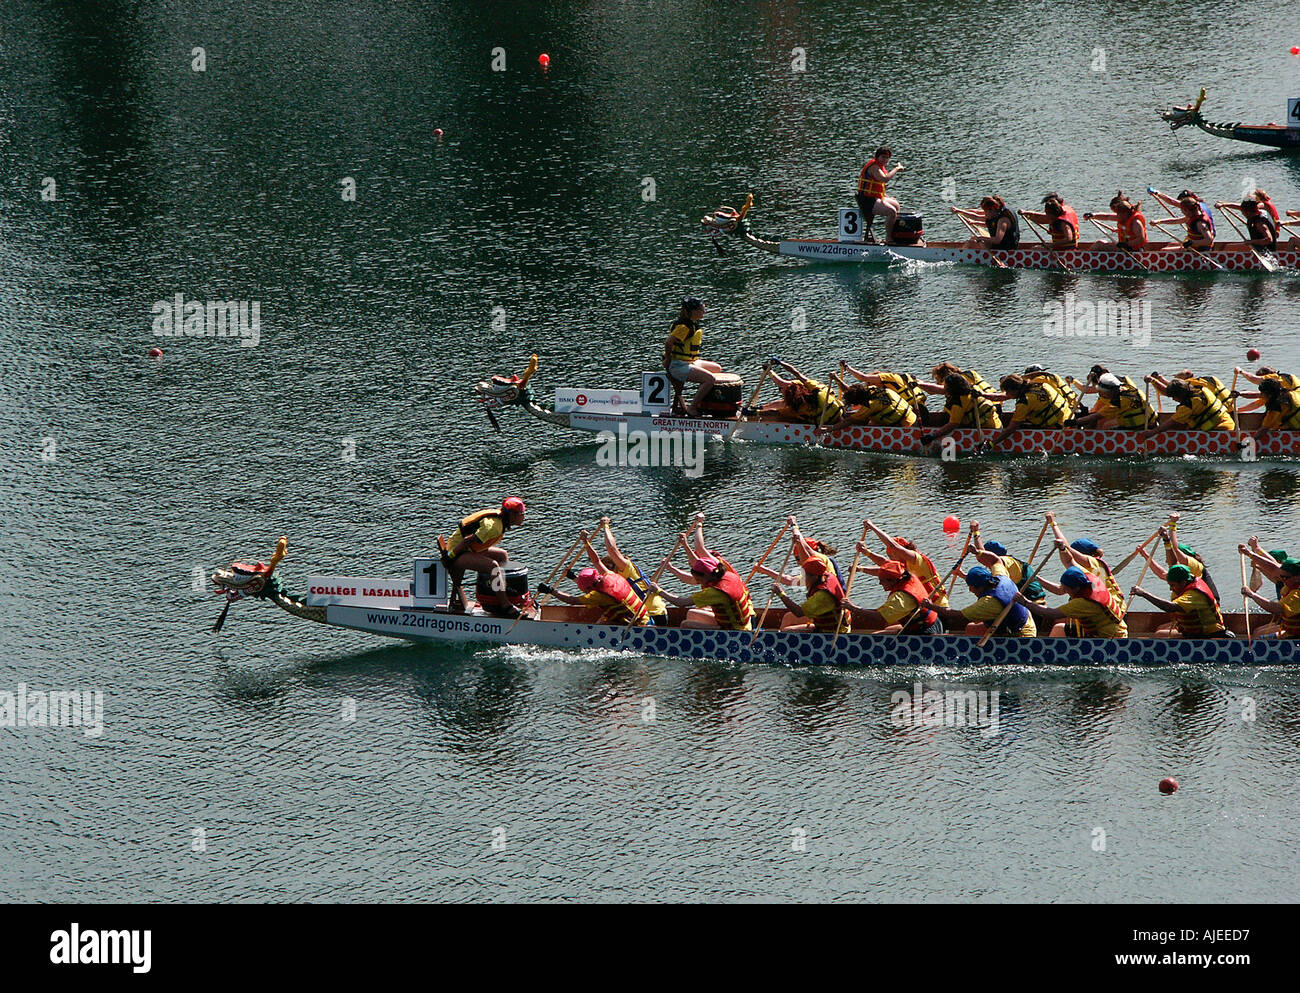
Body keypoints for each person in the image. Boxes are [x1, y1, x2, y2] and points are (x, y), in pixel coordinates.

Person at [442, 498, 527, 616]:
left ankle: (496, 596)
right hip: (458, 552)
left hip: (468, 549)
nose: (524, 517)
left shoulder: (500, 521)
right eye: (522, 513)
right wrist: (449, 557)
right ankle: (505, 605)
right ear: (512, 515)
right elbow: (467, 541)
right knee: (493, 566)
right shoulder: (493, 527)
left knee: (502, 555)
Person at [538, 543, 650, 626]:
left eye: (586, 591)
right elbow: (596, 561)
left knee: (600, 625)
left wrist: (551, 590)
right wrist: (586, 543)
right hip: (646, 617)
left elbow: (572, 600)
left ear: (590, 588)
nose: (587, 593)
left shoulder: (598, 596)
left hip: (637, 625)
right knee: (603, 616)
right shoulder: (610, 575)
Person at [583, 518, 670, 625]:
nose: (603, 577)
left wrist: (606, 527)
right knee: (605, 617)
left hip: (654, 615)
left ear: (612, 566)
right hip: (642, 616)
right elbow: (596, 562)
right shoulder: (613, 577)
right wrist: (585, 542)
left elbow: (612, 549)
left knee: (606, 620)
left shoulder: (627, 568)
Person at [922, 565, 1037, 637]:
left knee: (970, 629)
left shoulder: (988, 603)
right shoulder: (1001, 577)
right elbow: (995, 560)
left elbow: (955, 615)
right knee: (970, 628)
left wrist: (930, 606)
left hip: (1022, 636)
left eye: (970, 586)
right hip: (1027, 620)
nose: (970, 590)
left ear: (979, 587)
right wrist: (977, 553)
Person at [770, 530, 850, 632]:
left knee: (787, 631)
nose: (803, 578)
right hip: (828, 624)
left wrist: (780, 593)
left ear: (814, 576)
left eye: (805, 575)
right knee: (787, 619)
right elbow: (807, 559)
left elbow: (798, 613)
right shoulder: (825, 575)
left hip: (834, 632)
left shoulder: (822, 595)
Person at [1018, 566, 1128, 638]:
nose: (1064, 591)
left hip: (1110, 638)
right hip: (1115, 629)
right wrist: (1035, 578)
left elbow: (1051, 614)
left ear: (1075, 588)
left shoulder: (1083, 603)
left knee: (1059, 627)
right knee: (1059, 628)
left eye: (1066, 589)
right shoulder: (1091, 579)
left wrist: (1025, 602)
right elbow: (1070, 562)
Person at [653, 553, 754, 630]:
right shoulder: (729, 575)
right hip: (745, 622)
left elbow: (680, 603)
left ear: (706, 575)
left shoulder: (714, 592)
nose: (697, 582)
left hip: (734, 630)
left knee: (685, 624)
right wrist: (671, 568)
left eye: (699, 579)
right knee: (692, 613)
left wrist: (658, 590)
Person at [860, 519, 949, 607]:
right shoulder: (902, 566)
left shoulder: (916, 559)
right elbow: (884, 568)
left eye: (891, 556)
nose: (891, 560)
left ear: (898, 552)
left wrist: (872, 526)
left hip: (939, 605)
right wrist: (864, 557)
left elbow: (893, 546)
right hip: (924, 606)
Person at [846, 560, 944, 634]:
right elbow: (882, 571)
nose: (879, 583)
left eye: (882, 580)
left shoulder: (901, 598)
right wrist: (860, 569)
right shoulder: (908, 576)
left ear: (892, 580)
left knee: (876, 635)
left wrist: (853, 608)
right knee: (887, 629)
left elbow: (880, 618)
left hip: (925, 632)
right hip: (933, 622)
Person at [1129, 564, 1227, 638]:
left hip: (1208, 634)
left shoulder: (1194, 594)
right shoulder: (1187, 579)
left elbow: (1170, 608)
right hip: (1193, 631)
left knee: (1159, 634)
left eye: (1173, 585)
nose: (1171, 589)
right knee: (1160, 628)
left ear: (1183, 582)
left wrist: (1144, 594)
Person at [662, 297, 722, 416]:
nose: (704, 311)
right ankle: (692, 407)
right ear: (692, 311)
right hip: (679, 365)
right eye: (701, 309)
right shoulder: (684, 327)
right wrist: (667, 360)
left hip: (690, 362)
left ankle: (704, 402)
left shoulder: (692, 324)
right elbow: (669, 343)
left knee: (717, 369)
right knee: (710, 379)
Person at [979, 374, 1071, 449]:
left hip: (1057, 429)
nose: (1006, 394)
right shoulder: (1040, 385)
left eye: (1007, 391)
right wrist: (983, 395)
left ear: (1014, 390)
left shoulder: (1024, 402)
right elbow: (1001, 396)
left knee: (1014, 423)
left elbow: (1011, 429)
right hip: (1069, 418)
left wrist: (991, 444)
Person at [969, 523, 1046, 603]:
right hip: (1028, 601)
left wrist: (976, 532)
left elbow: (982, 557)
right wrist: (961, 574)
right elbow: (985, 583)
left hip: (1033, 603)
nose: (985, 564)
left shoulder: (1006, 561)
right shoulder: (1004, 565)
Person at [918, 374, 1002, 447]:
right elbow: (937, 390)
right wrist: (920, 384)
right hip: (998, 426)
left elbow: (953, 425)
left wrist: (932, 436)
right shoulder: (974, 389)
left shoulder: (958, 403)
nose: (944, 388)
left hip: (985, 433)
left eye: (946, 386)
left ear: (951, 389)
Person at [755, 359, 843, 425]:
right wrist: (780, 363)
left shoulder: (795, 409)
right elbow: (796, 372)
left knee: (786, 418)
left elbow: (774, 413)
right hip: (839, 413)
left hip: (825, 423)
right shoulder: (817, 389)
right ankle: (759, 407)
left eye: (780, 390)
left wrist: (753, 413)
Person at [816, 381, 917, 438]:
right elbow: (853, 392)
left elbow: (848, 421)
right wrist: (837, 380)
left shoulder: (870, 406)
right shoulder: (876, 389)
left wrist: (828, 430)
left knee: (862, 421)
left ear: (858, 401)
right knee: (868, 418)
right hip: (914, 418)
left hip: (905, 430)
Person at [1141, 376, 1233, 436]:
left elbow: (1171, 423)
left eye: (1174, 397)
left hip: (1220, 433)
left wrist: (1152, 433)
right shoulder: (1202, 389)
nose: (1173, 399)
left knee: (1177, 425)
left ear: (1179, 395)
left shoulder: (1188, 405)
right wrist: (1154, 381)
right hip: (1230, 425)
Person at [839, 362, 929, 421]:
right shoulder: (899, 379)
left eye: (871, 383)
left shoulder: (885, 378)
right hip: (923, 410)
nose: (872, 387)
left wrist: (847, 367)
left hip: (915, 411)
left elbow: (863, 377)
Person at [855, 146, 906, 243]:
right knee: (892, 211)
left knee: (896, 204)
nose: (885, 160)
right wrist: (896, 169)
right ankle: (889, 238)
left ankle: (896, 234)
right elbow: (885, 179)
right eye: (883, 157)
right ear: (877, 157)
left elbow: (876, 186)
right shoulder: (874, 167)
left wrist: (885, 196)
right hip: (867, 200)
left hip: (874, 197)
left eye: (887, 158)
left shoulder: (880, 167)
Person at [1241, 557, 1300, 638]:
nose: (1283, 580)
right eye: (1282, 577)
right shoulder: (1290, 585)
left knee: (1259, 638)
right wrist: (1249, 554)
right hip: (1289, 630)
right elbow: (1273, 570)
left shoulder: (1297, 593)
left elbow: (1276, 608)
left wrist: (1252, 595)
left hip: (1295, 637)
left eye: (1286, 578)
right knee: (1256, 631)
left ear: (1297, 577)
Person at [1070, 372, 1154, 430]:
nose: (1102, 395)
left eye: (1103, 393)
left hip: (1139, 427)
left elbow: (1095, 417)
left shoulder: (1117, 403)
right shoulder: (1129, 387)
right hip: (1152, 420)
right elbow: (1124, 377)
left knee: (1105, 425)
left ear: (1110, 392)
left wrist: (1074, 422)